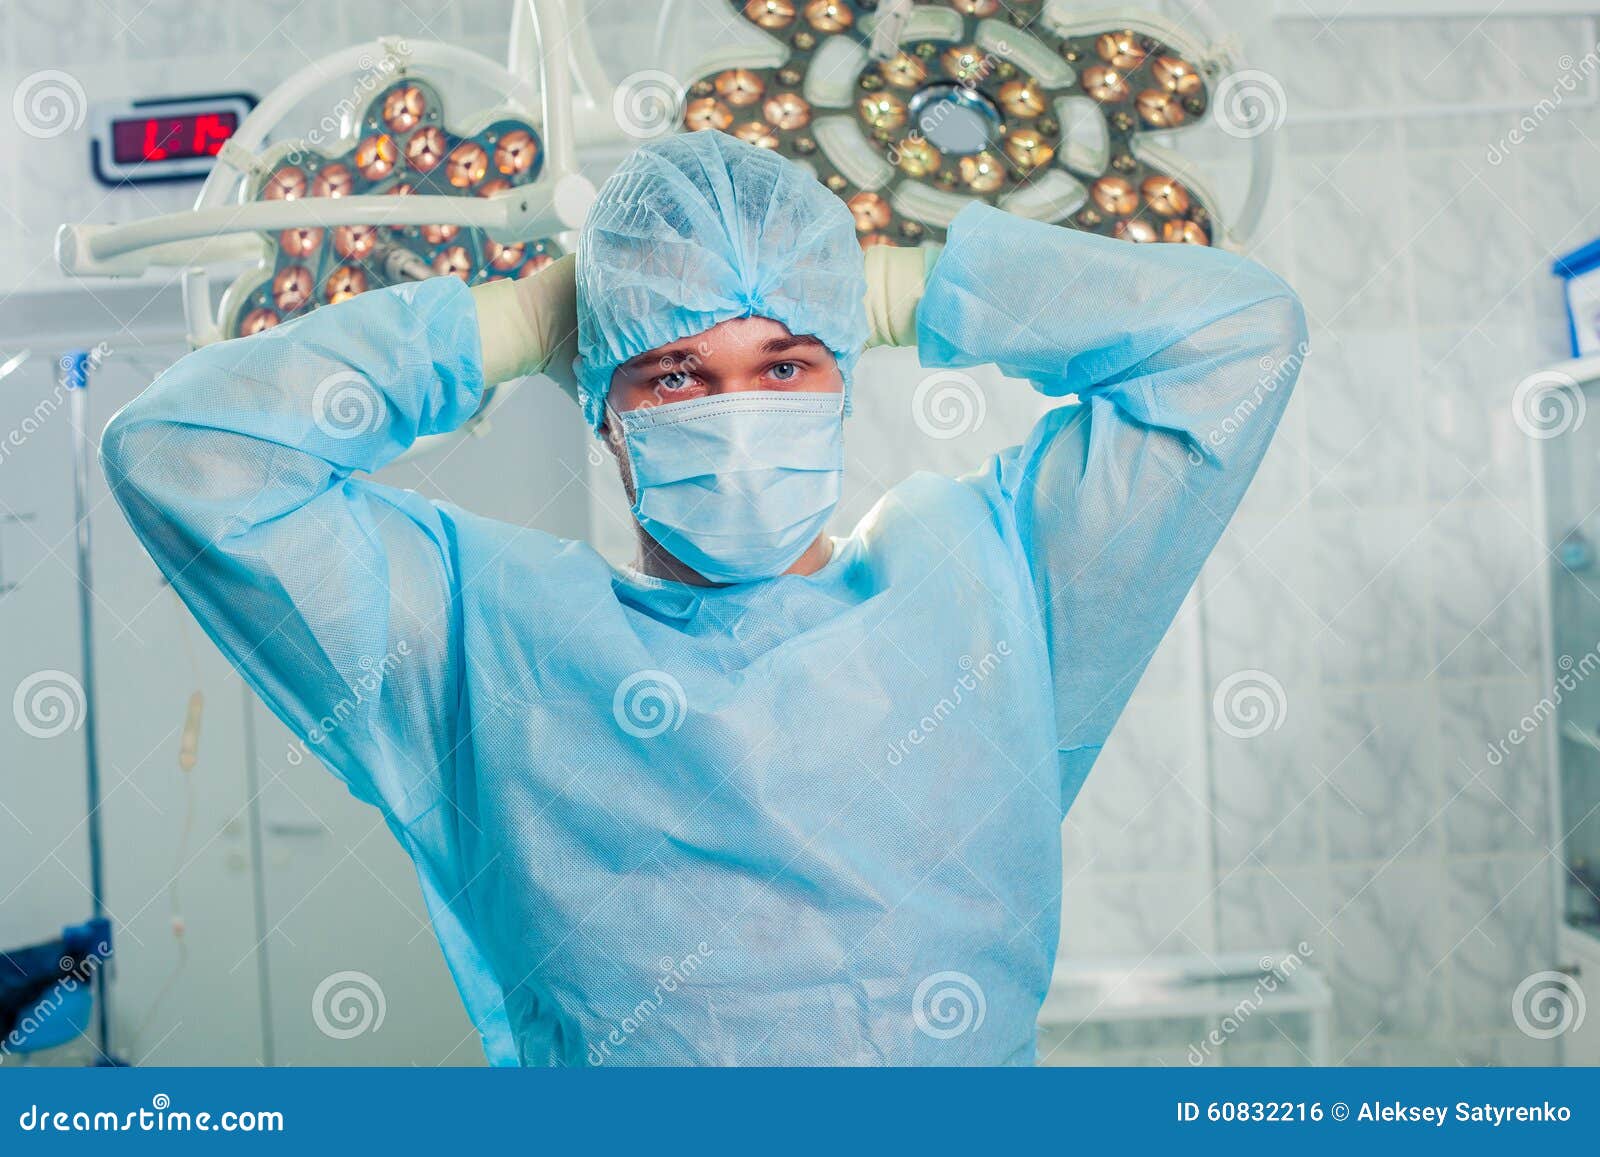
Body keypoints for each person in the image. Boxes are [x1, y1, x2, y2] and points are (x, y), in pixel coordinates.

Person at [101, 130, 1307, 1066]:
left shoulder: (997, 580)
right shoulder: (476, 643)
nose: (736, 413)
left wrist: (899, 290)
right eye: (676, 373)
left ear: (843, 376)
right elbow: (184, 454)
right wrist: (520, 320)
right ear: (608, 411)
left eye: (785, 363)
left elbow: (1237, 338)